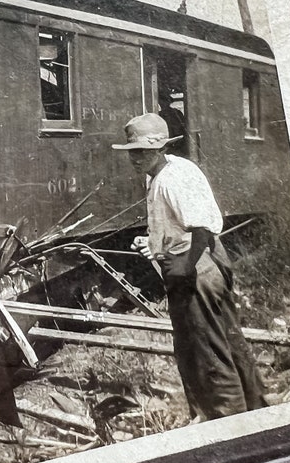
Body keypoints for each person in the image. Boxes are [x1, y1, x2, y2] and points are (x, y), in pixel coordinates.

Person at [113, 112, 266, 420]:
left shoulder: (168, 180)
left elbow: (200, 228)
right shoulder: (176, 169)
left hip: (196, 268)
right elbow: (183, 223)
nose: (136, 158)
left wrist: (185, 265)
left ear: (159, 149)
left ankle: (229, 424)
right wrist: (153, 244)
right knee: (229, 342)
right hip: (209, 261)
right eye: (132, 152)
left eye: (142, 151)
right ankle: (257, 410)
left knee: (206, 354)